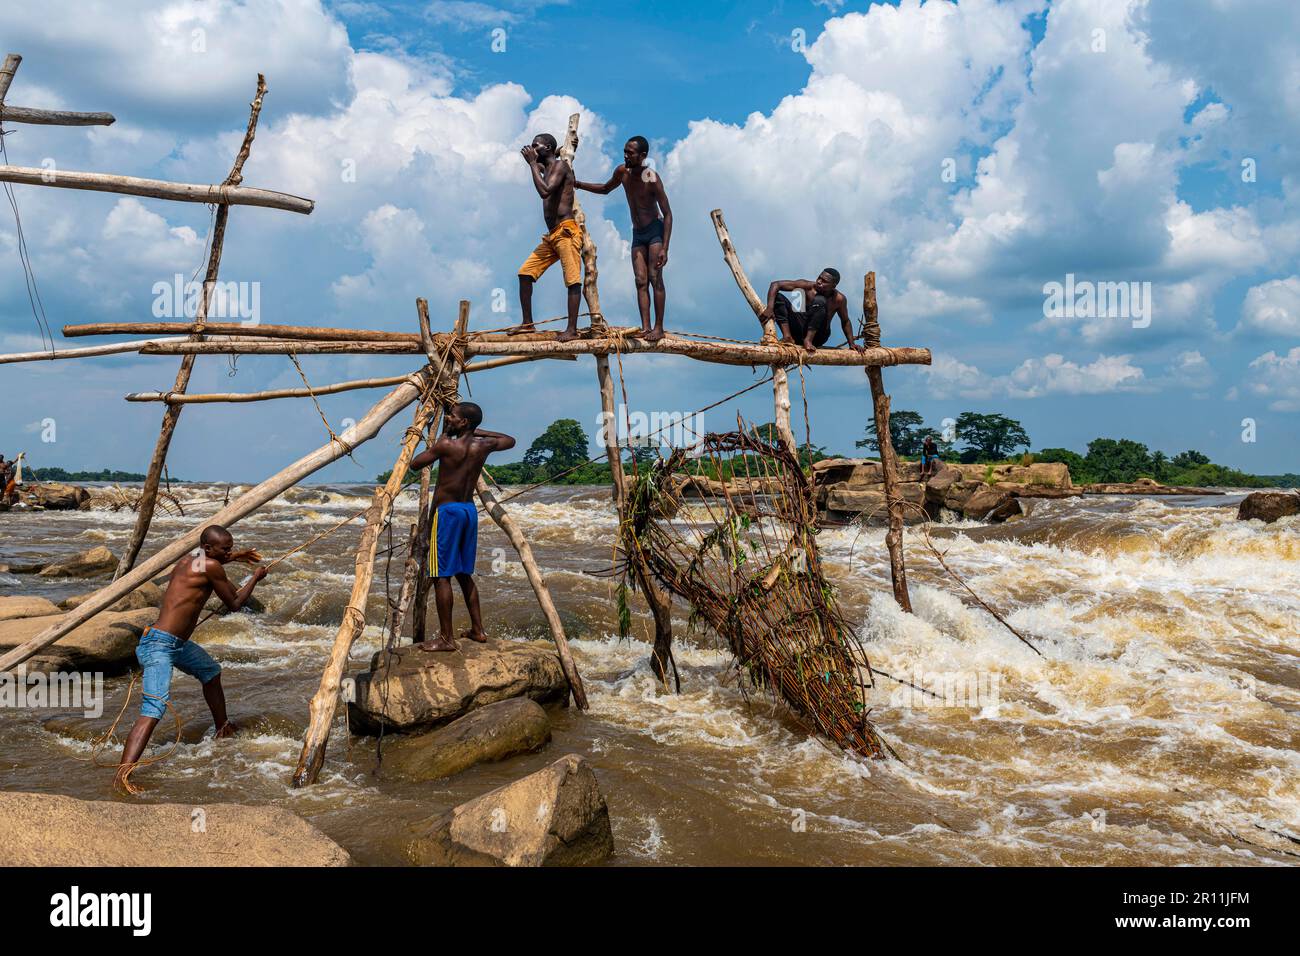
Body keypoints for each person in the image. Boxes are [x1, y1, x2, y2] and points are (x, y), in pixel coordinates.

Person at [115, 525, 266, 791]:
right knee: (154, 709)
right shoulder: (211, 567)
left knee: (211, 672)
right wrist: (255, 577)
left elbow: (217, 559)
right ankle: (122, 776)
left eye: (231, 547)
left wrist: (238, 555)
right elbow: (234, 603)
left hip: (174, 643)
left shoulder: (191, 560)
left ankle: (222, 728)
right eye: (225, 548)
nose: (229, 552)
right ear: (208, 549)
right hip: (160, 646)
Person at [409, 402, 516, 652]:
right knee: (463, 573)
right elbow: (510, 440)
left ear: (464, 422)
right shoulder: (484, 445)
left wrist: (445, 435)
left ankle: (446, 638)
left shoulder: (447, 445)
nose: (447, 418)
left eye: (453, 416)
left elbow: (415, 464)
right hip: (469, 511)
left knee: (439, 575)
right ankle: (478, 630)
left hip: (447, 514)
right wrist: (477, 432)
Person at [575, 135, 673, 342]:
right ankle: (646, 327)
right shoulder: (623, 172)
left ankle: (659, 327)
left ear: (643, 156)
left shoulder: (651, 177)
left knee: (655, 279)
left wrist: (665, 247)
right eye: (625, 151)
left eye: (630, 152)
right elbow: (605, 189)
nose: (626, 155)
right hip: (638, 234)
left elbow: (668, 214)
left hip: (655, 231)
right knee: (640, 281)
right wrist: (578, 184)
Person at [510, 133, 584, 342]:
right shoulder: (547, 167)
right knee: (525, 274)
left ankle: (572, 329)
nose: (532, 149)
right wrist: (535, 163)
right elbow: (543, 168)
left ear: (548, 148)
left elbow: (545, 191)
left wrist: (533, 163)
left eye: (536, 146)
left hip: (566, 232)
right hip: (552, 236)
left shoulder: (561, 167)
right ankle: (527, 324)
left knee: (572, 280)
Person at [758, 268, 864, 354]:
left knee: (820, 300)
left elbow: (845, 321)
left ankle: (808, 340)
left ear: (833, 286)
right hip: (800, 330)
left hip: (818, 336)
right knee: (777, 297)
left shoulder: (839, 299)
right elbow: (775, 285)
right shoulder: (808, 286)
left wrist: (852, 343)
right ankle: (788, 337)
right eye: (819, 278)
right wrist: (770, 308)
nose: (819, 282)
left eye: (824, 281)